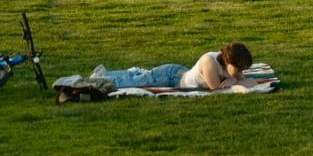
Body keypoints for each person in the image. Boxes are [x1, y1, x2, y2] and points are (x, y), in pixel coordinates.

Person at [90, 42, 256, 91]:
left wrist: (234, 80)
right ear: (229, 61)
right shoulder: (209, 61)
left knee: (139, 77)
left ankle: (118, 73)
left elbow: (244, 81)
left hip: (180, 74)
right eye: (239, 68)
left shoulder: (233, 67)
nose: (241, 72)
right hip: (172, 77)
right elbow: (214, 88)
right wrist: (234, 81)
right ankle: (102, 77)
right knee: (134, 82)